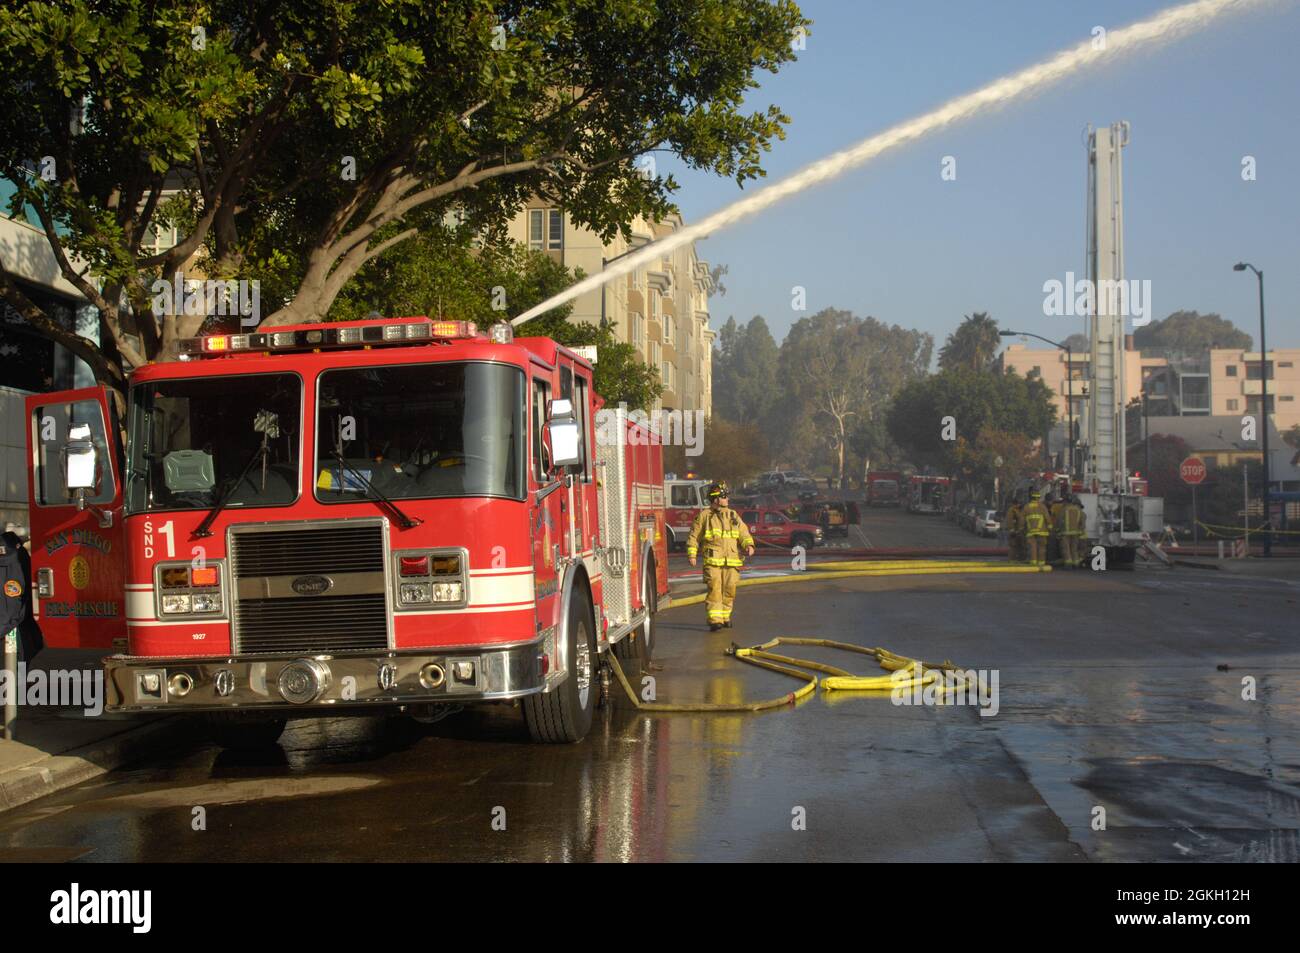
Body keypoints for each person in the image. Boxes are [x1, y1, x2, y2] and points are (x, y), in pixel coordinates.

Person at [686, 482, 755, 631]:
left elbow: (743, 532)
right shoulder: (704, 516)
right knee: (715, 589)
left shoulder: (733, 515)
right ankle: (715, 620)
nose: (727, 499)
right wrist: (692, 554)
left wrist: (749, 545)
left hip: (732, 561)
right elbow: (694, 536)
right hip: (713, 562)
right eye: (724, 497)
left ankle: (725, 617)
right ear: (716, 499)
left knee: (730, 590)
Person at [1055, 492, 1086, 569]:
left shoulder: (1064, 510)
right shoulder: (1079, 510)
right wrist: (1081, 531)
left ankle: (1068, 564)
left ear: (1066, 501)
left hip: (1065, 533)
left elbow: (1059, 521)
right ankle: (1076, 563)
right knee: (1074, 548)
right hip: (1076, 533)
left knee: (1066, 548)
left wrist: (1057, 530)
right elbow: (1082, 522)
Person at [1022, 489, 1052, 567]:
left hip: (1031, 532)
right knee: (1041, 547)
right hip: (1042, 531)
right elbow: (1047, 518)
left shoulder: (1026, 507)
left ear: (1031, 497)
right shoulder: (1042, 506)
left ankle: (1033, 563)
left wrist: (1020, 529)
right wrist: (1050, 527)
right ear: (1038, 497)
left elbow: (1022, 520)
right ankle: (1041, 563)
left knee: (1032, 547)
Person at [1005, 493, 1024, 562]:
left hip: (1018, 532)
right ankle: (1012, 560)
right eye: (1019, 503)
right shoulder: (1012, 510)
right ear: (1015, 504)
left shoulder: (1018, 510)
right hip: (1014, 533)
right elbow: (1010, 521)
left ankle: (1017, 560)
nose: (1020, 505)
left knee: (1018, 547)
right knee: (1013, 546)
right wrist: (1012, 531)